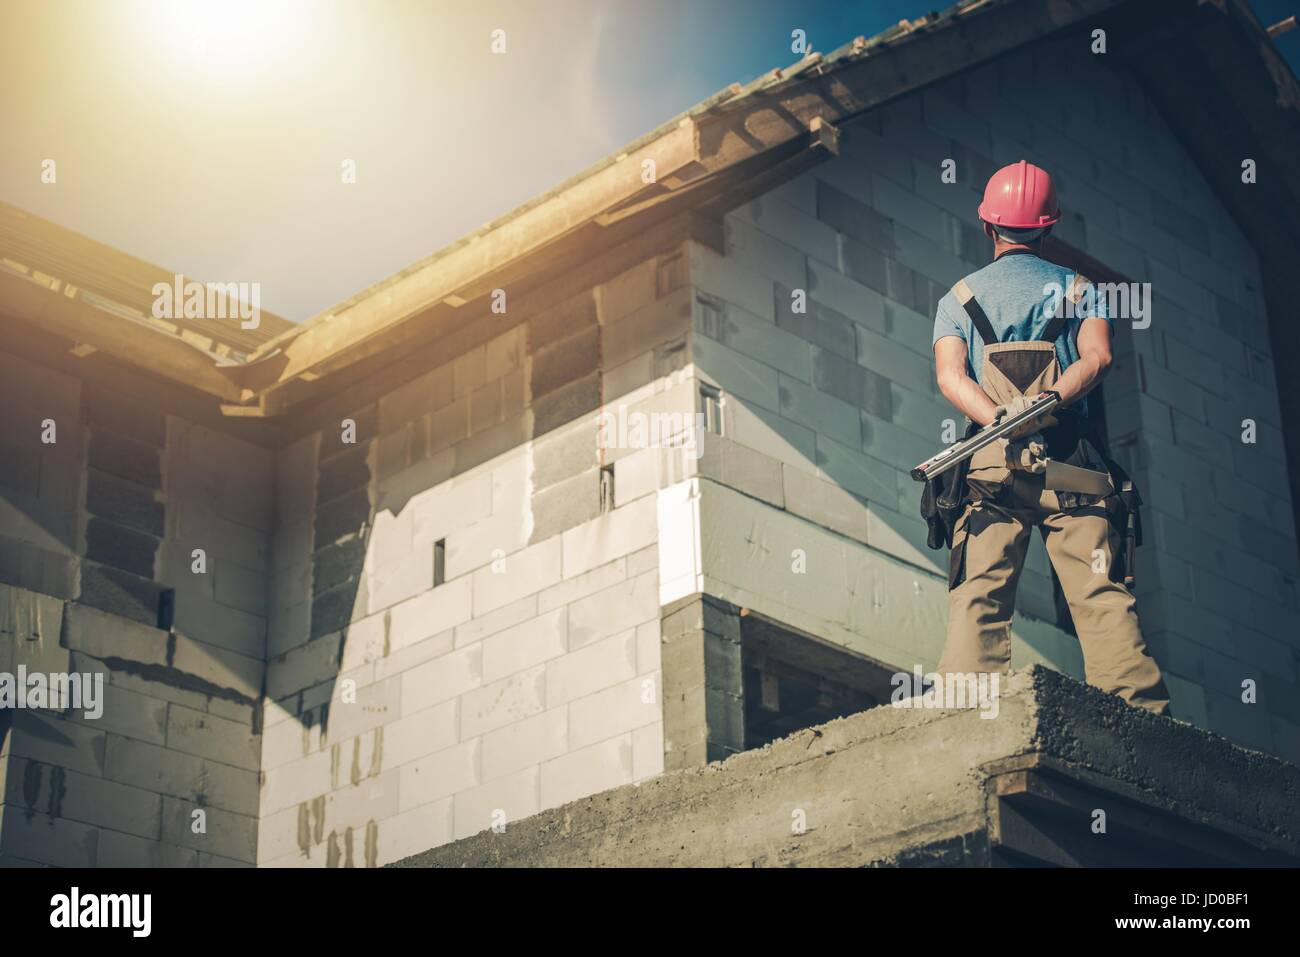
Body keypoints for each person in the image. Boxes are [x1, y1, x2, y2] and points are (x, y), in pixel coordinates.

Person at [929, 160, 1170, 715]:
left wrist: (997, 420)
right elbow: (1099, 357)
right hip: (1073, 464)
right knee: (1099, 592)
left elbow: (950, 378)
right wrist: (1051, 403)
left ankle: (964, 714)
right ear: (1047, 227)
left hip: (989, 467)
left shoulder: (957, 298)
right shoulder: (1081, 290)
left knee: (979, 594)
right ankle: (1143, 722)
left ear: (988, 225)